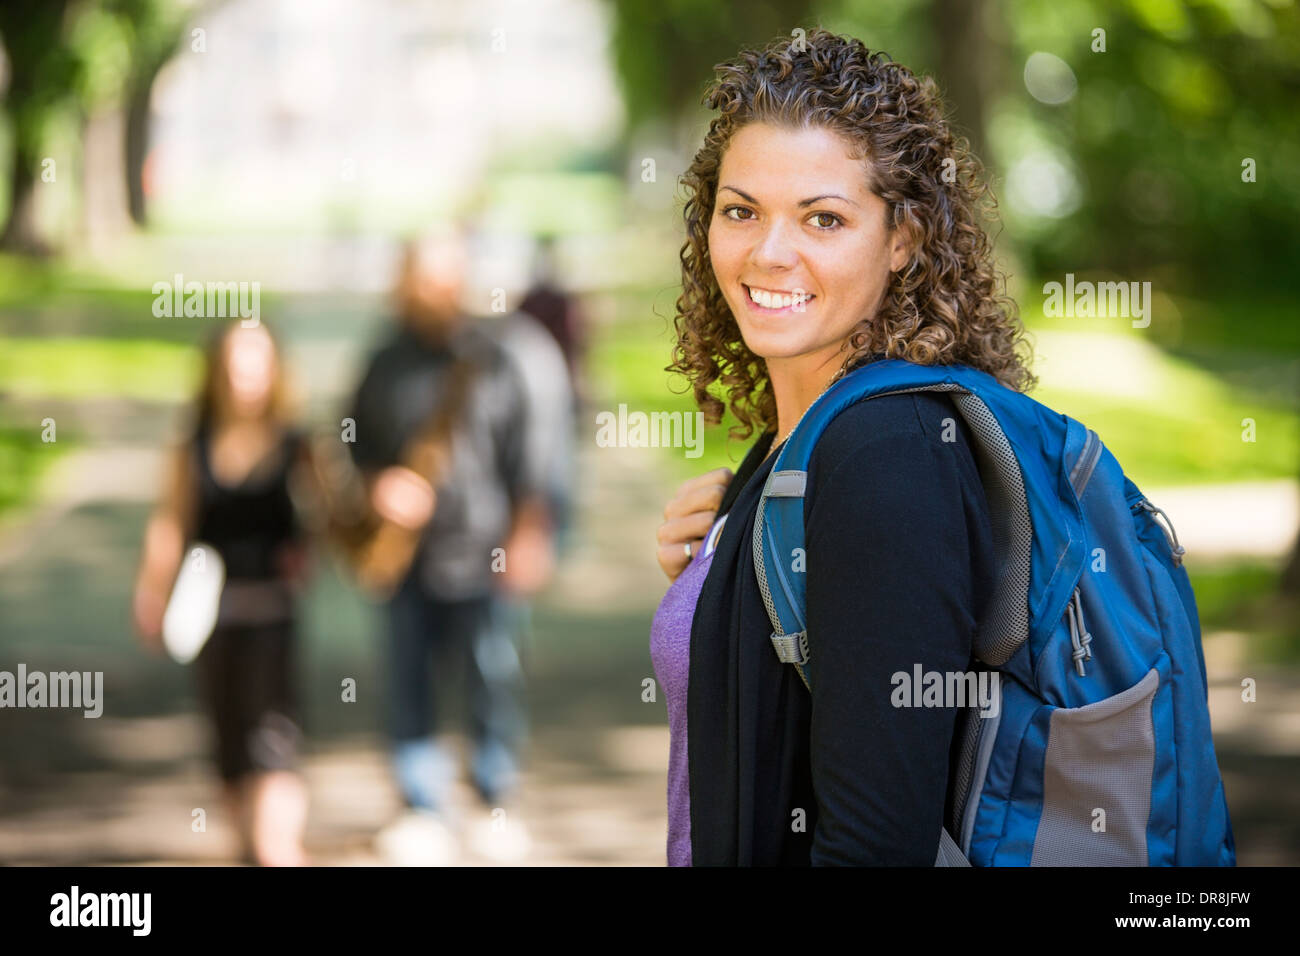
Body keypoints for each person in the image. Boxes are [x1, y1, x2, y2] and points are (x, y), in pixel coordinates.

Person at [650, 30, 1035, 866]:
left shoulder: (886, 453)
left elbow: (876, 845)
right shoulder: (797, 445)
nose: (768, 252)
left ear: (904, 240)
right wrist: (721, 578)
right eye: (740, 210)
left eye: (823, 218)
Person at [345, 228, 553, 864]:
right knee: (408, 681)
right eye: (424, 279)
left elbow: (530, 456)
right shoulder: (382, 361)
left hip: (484, 553)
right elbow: (354, 445)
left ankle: (495, 802)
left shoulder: (496, 355)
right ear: (404, 282)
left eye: (447, 277)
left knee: (491, 680)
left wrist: (528, 534)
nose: (438, 291)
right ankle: (421, 807)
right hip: (405, 558)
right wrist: (379, 485)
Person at [132, 321, 313, 867]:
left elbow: (327, 517)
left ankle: (278, 847)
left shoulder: (297, 444)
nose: (245, 378)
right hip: (212, 616)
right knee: (229, 740)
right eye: (235, 364)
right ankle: (250, 842)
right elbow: (172, 519)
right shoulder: (196, 445)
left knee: (275, 741)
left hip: (273, 615)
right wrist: (152, 588)